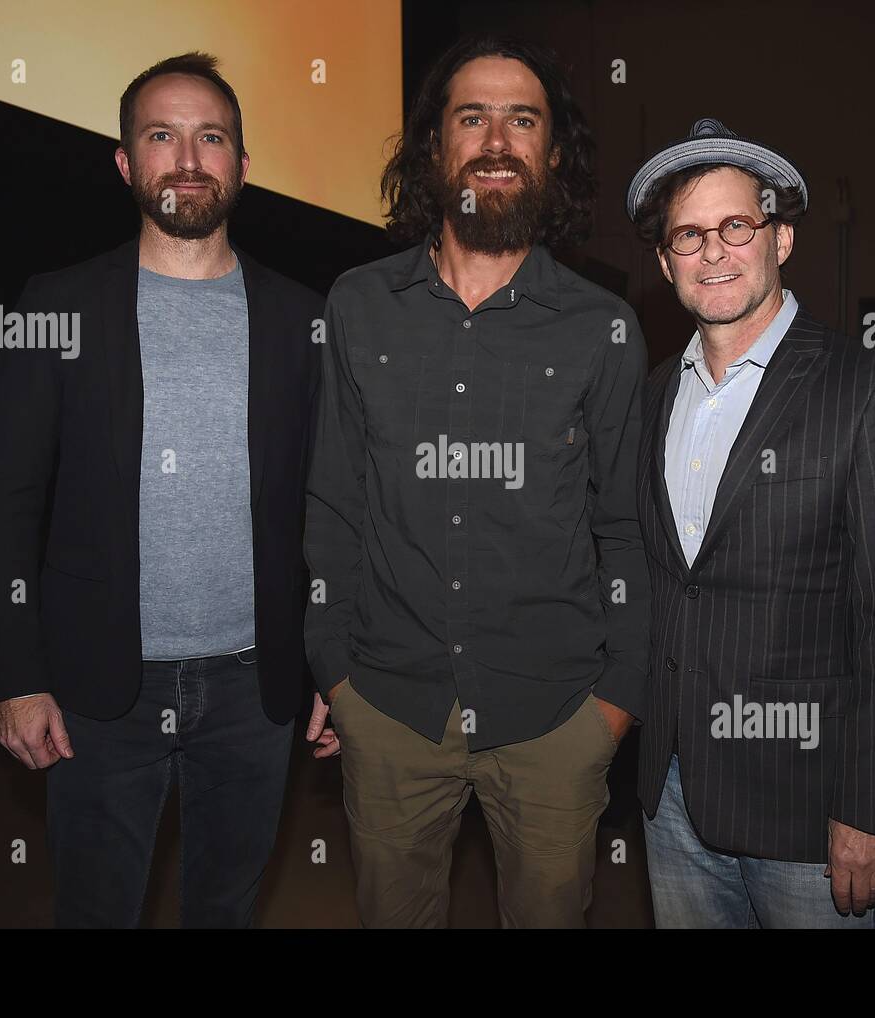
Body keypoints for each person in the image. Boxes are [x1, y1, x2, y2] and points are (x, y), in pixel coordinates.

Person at [303, 35, 649, 928]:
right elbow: (335, 500)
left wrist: (614, 705)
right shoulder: (355, 304)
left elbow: (628, 528)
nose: (497, 139)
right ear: (435, 149)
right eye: (473, 117)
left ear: (551, 155)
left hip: (555, 718)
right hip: (387, 709)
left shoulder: (603, 328)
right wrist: (333, 668)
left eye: (522, 119)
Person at [0, 52, 322, 927]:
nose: (188, 158)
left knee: (225, 910)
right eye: (161, 136)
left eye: (211, 137)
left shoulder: (305, 318)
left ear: (242, 164)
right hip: (97, 693)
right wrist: (15, 676)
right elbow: (1, 508)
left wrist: (337, 670)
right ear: (127, 164)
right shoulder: (56, 305)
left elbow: (335, 511)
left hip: (258, 690)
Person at [627, 118, 875, 927]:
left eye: (737, 225)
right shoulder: (656, 392)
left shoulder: (872, 388)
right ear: (665, 262)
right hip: (672, 799)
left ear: (782, 240)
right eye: (688, 235)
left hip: (812, 814)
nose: (713, 252)